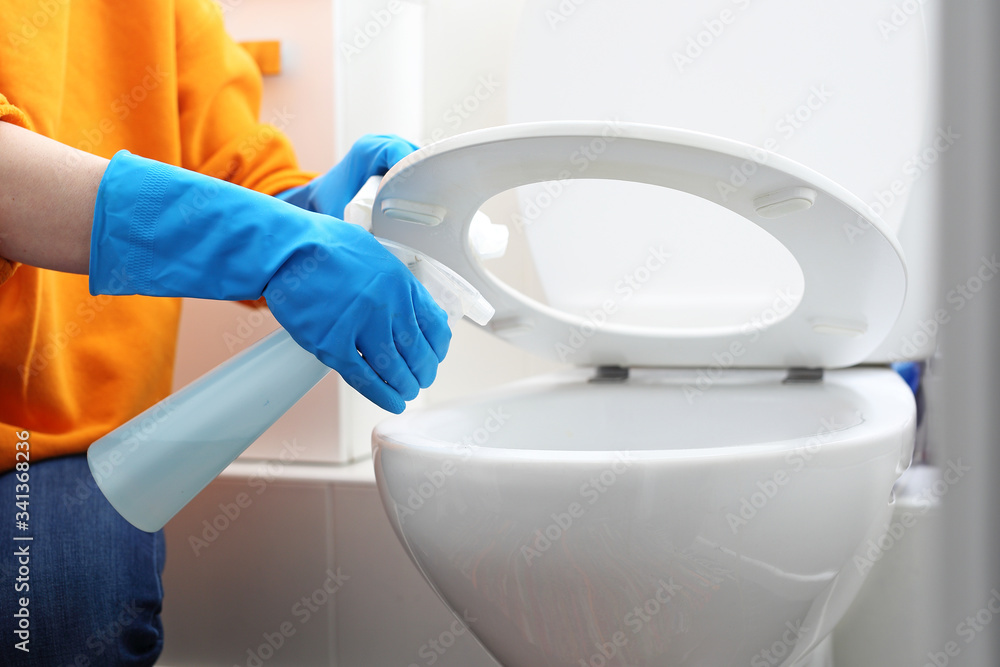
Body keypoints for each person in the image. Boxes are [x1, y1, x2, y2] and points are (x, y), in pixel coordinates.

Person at [0, 1, 451, 664]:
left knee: (66, 609)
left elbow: (231, 169)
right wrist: (272, 243)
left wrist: (312, 209)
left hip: (68, 449)